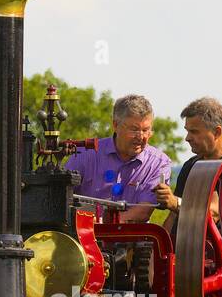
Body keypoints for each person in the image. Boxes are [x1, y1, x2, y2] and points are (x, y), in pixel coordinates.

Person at [65, 94, 171, 224]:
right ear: (115, 125)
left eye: (146, 130)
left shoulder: (159, 163)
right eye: (134, 129)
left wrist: (103, 224)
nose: (141, 136)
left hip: (130, 240)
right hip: (82, 236)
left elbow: (143, 211)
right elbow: (61, 200)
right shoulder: (84, 155)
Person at [156, 97, 222, 214]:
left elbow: (216, 214)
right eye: (187, 131)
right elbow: (173, 218)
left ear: (216, 132)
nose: (187, 138)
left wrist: (176, 203)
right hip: (184, 233)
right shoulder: (191, 165)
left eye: (194, 132)